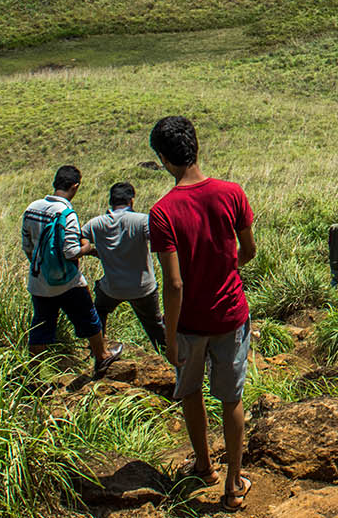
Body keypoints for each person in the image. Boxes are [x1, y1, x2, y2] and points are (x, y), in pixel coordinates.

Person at [148, 115, 257, 511]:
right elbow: (249, 251)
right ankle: (233, 483)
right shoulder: (231, 193)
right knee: (231, 398)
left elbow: (174, 285)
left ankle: (205, 467)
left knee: (190, 392)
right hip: (230, 314)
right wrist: (229, 268)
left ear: (162, 158)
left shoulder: (161, 212)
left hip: (190, 323)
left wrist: (170, 334)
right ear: (196, 146)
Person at [21, 165, 124, 375]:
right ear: (75, 187)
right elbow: (70, 252)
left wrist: (42, 267)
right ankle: (102, 356)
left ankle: (33, 373)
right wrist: (86, 248)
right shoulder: (66, 213)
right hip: (67, 281)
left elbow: (27, 246)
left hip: (39, 281)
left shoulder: (32, 208)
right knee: (89, 316)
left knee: (40, 326)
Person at [82, 182, 166, 351]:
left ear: (111, 201)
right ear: (131, 201)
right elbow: (163, 240)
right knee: (156, 326)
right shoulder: (142, 221)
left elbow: (79, 239)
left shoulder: (96, 223)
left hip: (112, 288)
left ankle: (97, 348)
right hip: (143, 287)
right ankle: (171, 357)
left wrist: (94, 251)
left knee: (99, 308)